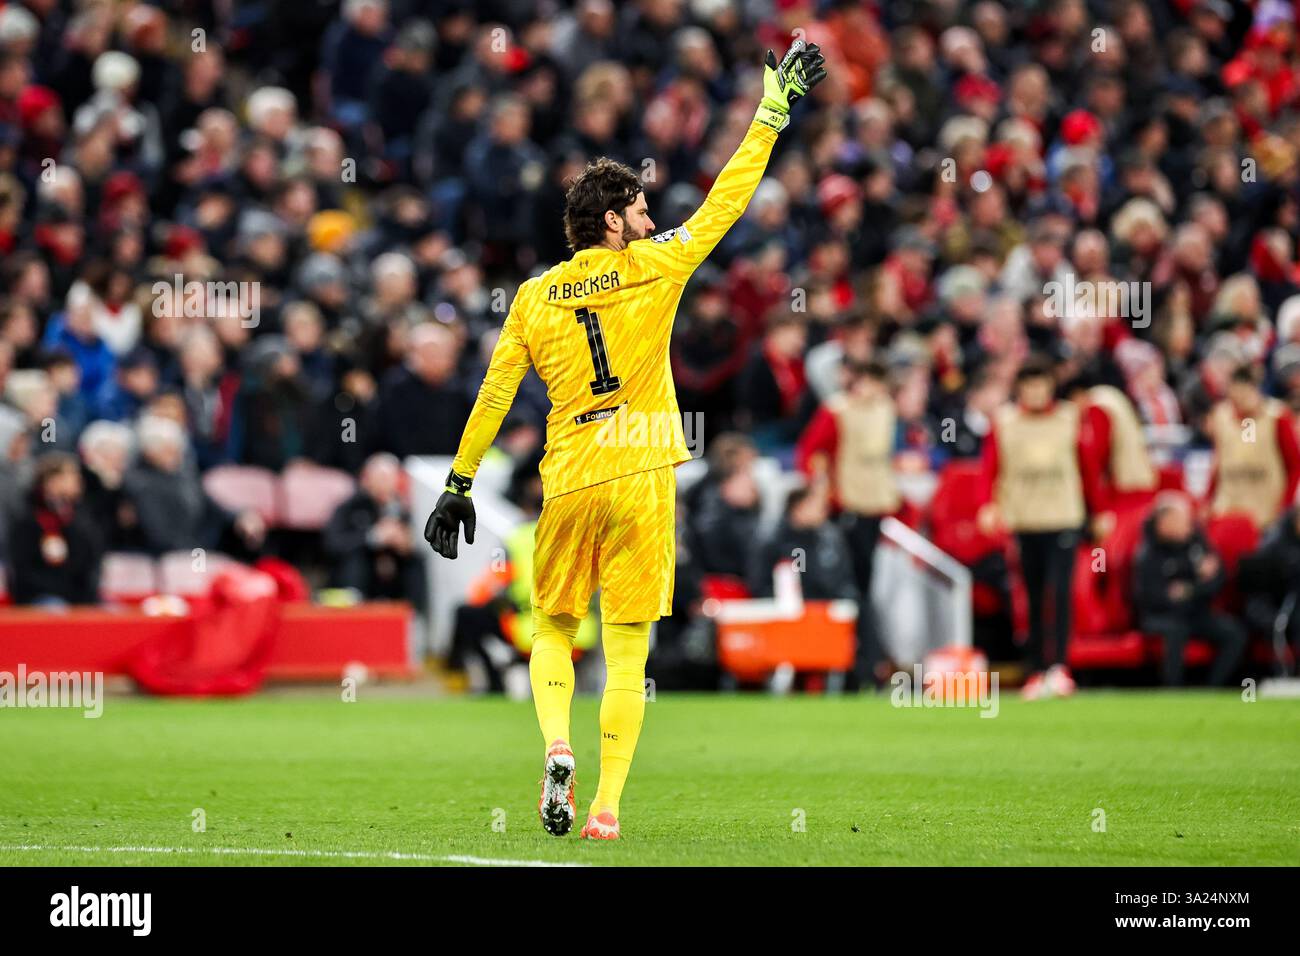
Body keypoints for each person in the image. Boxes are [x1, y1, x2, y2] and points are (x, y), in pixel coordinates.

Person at [423, 41, 827, 840]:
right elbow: (729, 199)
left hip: (570, 473)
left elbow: (496, 393)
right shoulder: (655, 265)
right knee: (629, 645)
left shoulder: (535, 298)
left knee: (555, 630)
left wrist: (460, 482)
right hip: (644, 468)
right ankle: (606, 809)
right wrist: (772, 110)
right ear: (612, 223)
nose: (652, 218)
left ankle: (557, 745)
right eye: (641, 210)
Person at [979, 356, 1105, 699]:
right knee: (1032, 597)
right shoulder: (1004, 422)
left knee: (1061, 592)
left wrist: (1098, 510)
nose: (1035, 392)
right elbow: (991, 466)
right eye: (1029, 385)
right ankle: (1035, 669)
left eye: (1041, 384)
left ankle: (1059, 667)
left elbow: (1088, 467)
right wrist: (988, 504)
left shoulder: (1069, 418)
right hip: (1025, 518)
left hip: (1063, 516)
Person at [795, 358, 901, 688]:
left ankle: (865, 664)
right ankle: (862, 664)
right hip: (848, 508)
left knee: (864, 588)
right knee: (853, 588)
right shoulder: (837, 411)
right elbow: (811, 452)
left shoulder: (884, 410)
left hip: (874, 507)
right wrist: (822, 488)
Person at [1132, 493, 1246, 687]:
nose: (1188, 525)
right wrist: (1196, 581)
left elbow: (1217, 580)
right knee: (1176, 630)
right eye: (1181, 520)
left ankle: (1212, 689)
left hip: (1196, 613)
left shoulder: (1197, 542)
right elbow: (1149, 597)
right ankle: (1173, 691)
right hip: (1160, 616)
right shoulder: (1147, 552)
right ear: (1163, 522)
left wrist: (1189, 590)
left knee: (1235, 632)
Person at [322, 452, 424, 609]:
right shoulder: (349, 508)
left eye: (390, 478)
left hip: (391, 574)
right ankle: (356, 610)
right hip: (358, 575)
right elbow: (332, 544)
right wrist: (373, 537)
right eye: (381, 478)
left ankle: (414, 614)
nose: (386, 484)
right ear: (367, 479)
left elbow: (409, 543)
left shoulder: (400, 510)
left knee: (416, 562)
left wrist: (404, 544)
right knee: (357, 559)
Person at [7, 451, 103, 606]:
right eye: (69, 476)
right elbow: (23, 572)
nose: (77, 480)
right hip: (40, 597)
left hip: (80, 596)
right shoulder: (28, 519)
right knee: (56, 608)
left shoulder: (81, 517)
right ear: (50, 482)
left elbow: (90, 560)